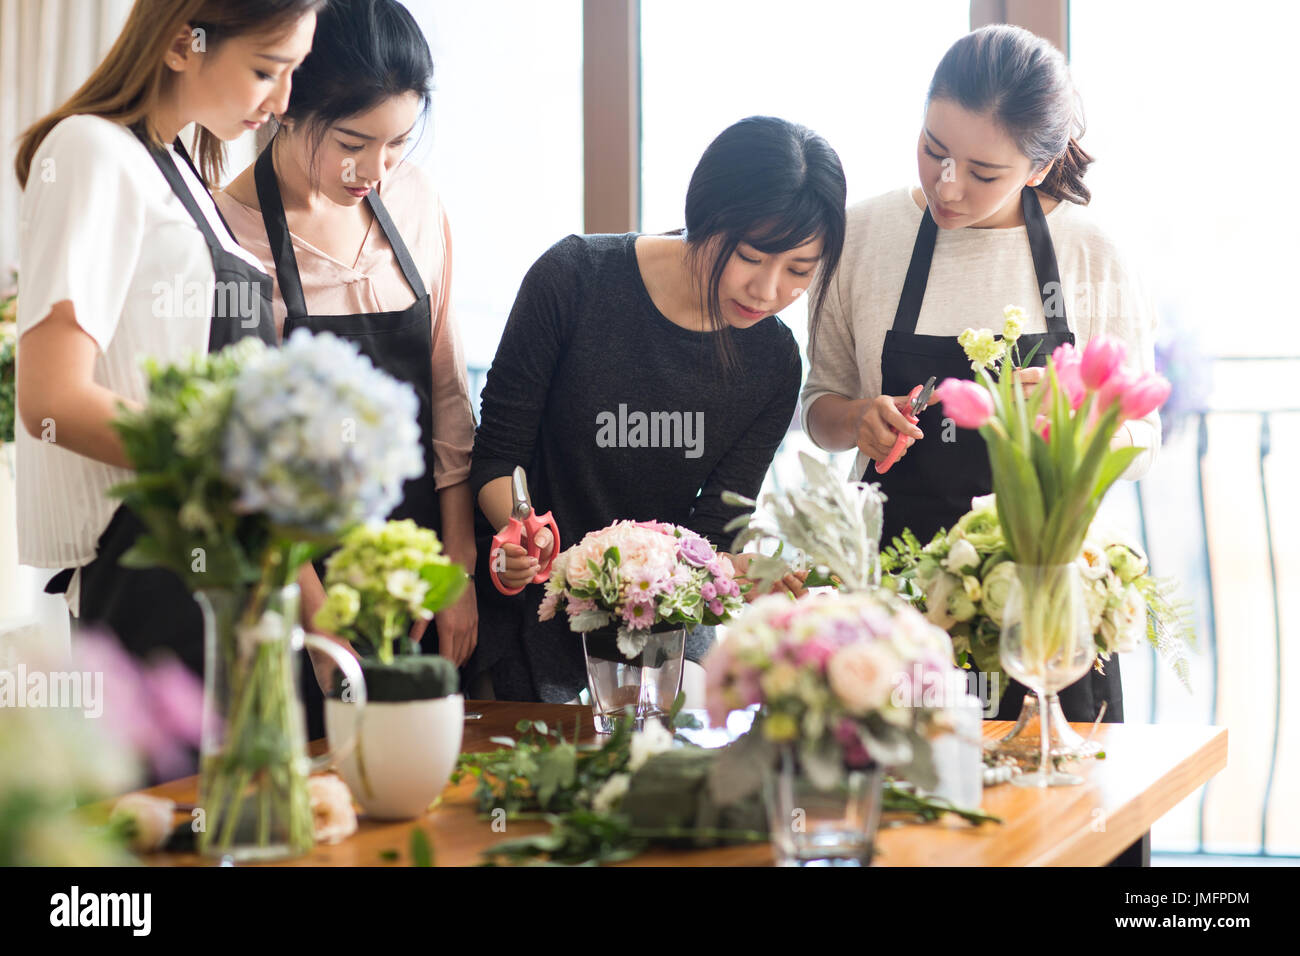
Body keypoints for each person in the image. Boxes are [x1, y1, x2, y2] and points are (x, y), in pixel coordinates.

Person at [802, 25, 1161, 724]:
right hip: (893, 605)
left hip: (1045, 601)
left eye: (983, 172)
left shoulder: (1090, 254)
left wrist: (1076, 414)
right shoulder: (864, 236)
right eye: (933, 150)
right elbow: (818, 406)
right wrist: (857, 419)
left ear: (1038, 164)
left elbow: (1142, 439)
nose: (948, 184)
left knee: (1062, 817)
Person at [468, 115, 847, 703]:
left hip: (660, 630)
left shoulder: (773, 361)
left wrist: (733, 572)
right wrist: (520, 533)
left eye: (799, 270)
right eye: (750, 257)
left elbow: (715, 527)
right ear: (705, 218)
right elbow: (497, 455)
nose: (768, 290)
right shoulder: (573, 280)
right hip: (531, 611)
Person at [14, 0, 320, 678]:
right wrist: (228, 473)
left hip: (223, 567)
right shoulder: (91, 149)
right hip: (154, 574)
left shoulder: (177, 169)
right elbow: (51, 399)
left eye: (294, 73)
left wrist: (316, 608)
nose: (282, 101)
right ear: (184, 43)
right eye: (268, 71)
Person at [215, 0, 478, 737]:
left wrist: (455, 561)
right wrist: (317, 617)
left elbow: (448, 392)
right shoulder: (228, 236)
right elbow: (245, 458)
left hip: (420, 555)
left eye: (398, 143)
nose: (376, 170)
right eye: (355, 143)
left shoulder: (416, 200)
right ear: (285, 103)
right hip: (299, 567)